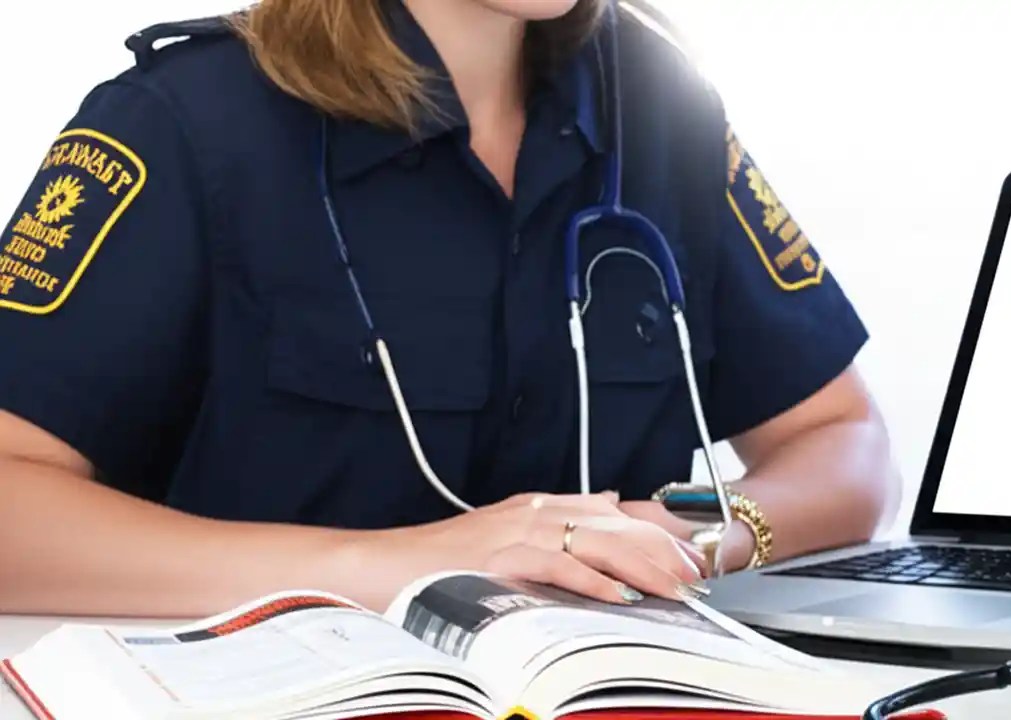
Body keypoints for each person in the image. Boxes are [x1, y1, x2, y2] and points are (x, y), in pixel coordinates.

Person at [0, 0, 899, 618]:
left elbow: (843, 440)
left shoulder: (663, 100)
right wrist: (396, 563)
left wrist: (694, 538)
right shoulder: (175, 120)